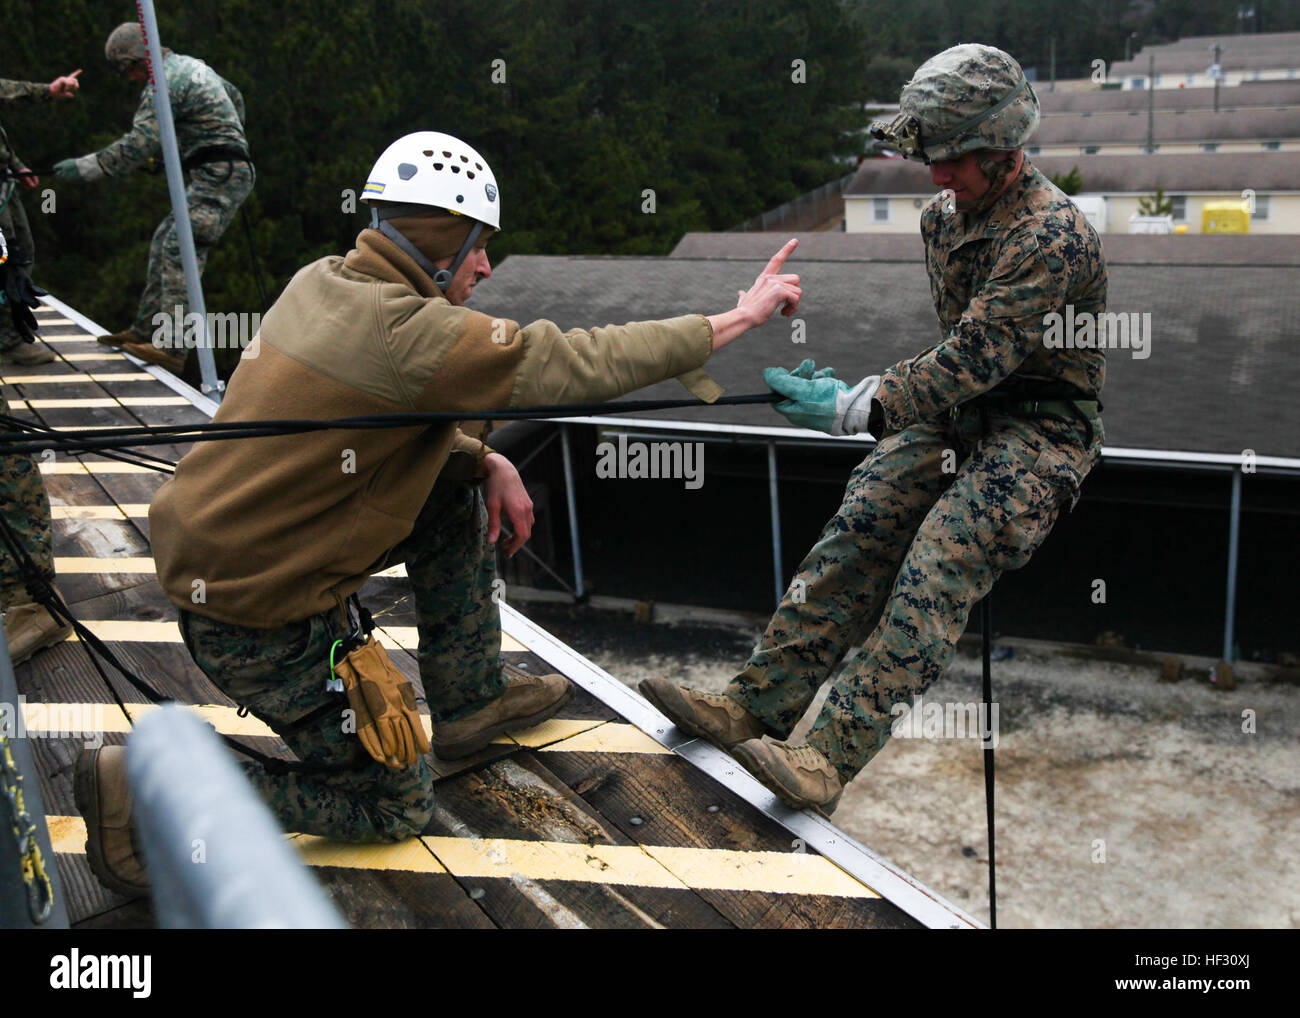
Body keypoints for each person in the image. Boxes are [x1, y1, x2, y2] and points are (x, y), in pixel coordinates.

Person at [73, 130, 802, 896]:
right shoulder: (412, 333)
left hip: (225, 560)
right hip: (259, 618)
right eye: (477, 246)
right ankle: (153, 792)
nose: (485, 265)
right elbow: (579, 360)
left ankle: (469, 700)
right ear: (439, 242)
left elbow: (387, 412)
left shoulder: (323, 281)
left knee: (458, 478)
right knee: (397, 804)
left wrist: (483, 458)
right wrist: (738, 318)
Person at [641, 43, 1107, 816]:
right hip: (959, 414)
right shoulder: (940, 220)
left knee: (938, 561)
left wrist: (861, 405)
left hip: (1041, 432)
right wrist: (873, 402)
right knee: (859, 528)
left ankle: (828, 756)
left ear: (1004, 148)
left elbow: (979, 351)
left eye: (954, 159)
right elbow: (957, 360)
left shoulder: (1052, 236)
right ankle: (756, 705)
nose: (937, 175)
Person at [53, 22, 253, 374]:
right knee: (166, 238)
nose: (129, 78)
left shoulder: (162, 83)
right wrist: (211, 143)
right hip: (221, 169)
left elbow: (139, 143)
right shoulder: (193, 66)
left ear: (138, 61)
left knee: (181, 247)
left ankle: (174, 346)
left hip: (219, 173)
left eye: (126, 70)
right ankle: (145, 328)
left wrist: (87, 167)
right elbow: (233, 97)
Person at [0, 70, 82, 365]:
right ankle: (8, 341)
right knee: (8, 259)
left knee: (20, 253)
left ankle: (11, 335)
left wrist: (15, 165)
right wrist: (47, 91)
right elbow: (7, 89)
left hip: (4, 184)